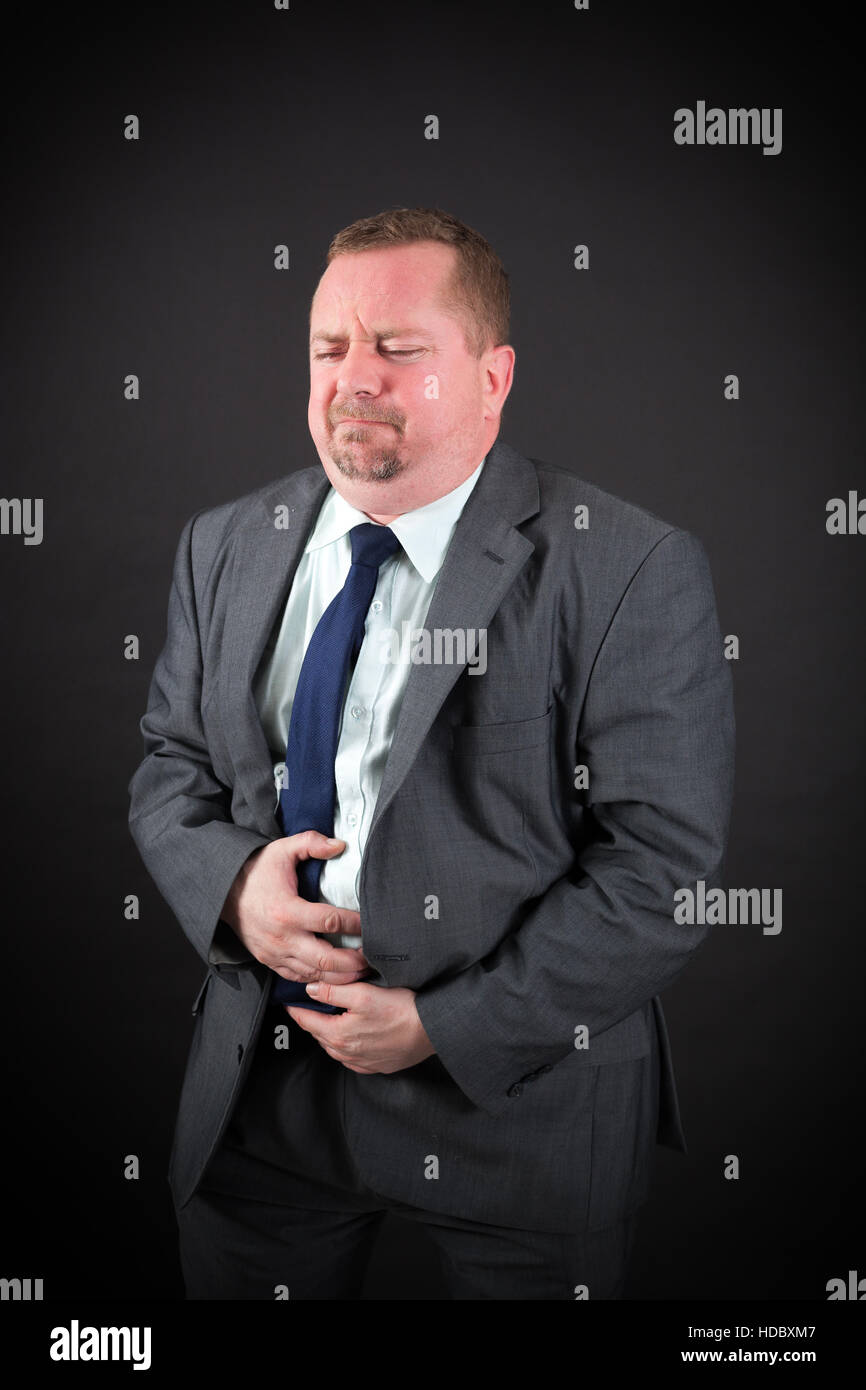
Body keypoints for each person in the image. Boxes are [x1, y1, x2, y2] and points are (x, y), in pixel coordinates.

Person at [128, 205, 735, 1300]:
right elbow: (170, 765)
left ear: (492, 377)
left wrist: (440, 1026)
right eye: (329, 348)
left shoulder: (628, 568)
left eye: (397, 350)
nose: (351, 377)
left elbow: (661, 870)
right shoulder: (222, 544)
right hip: (264, 1099)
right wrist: (236, 892)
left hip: (520, 1103)